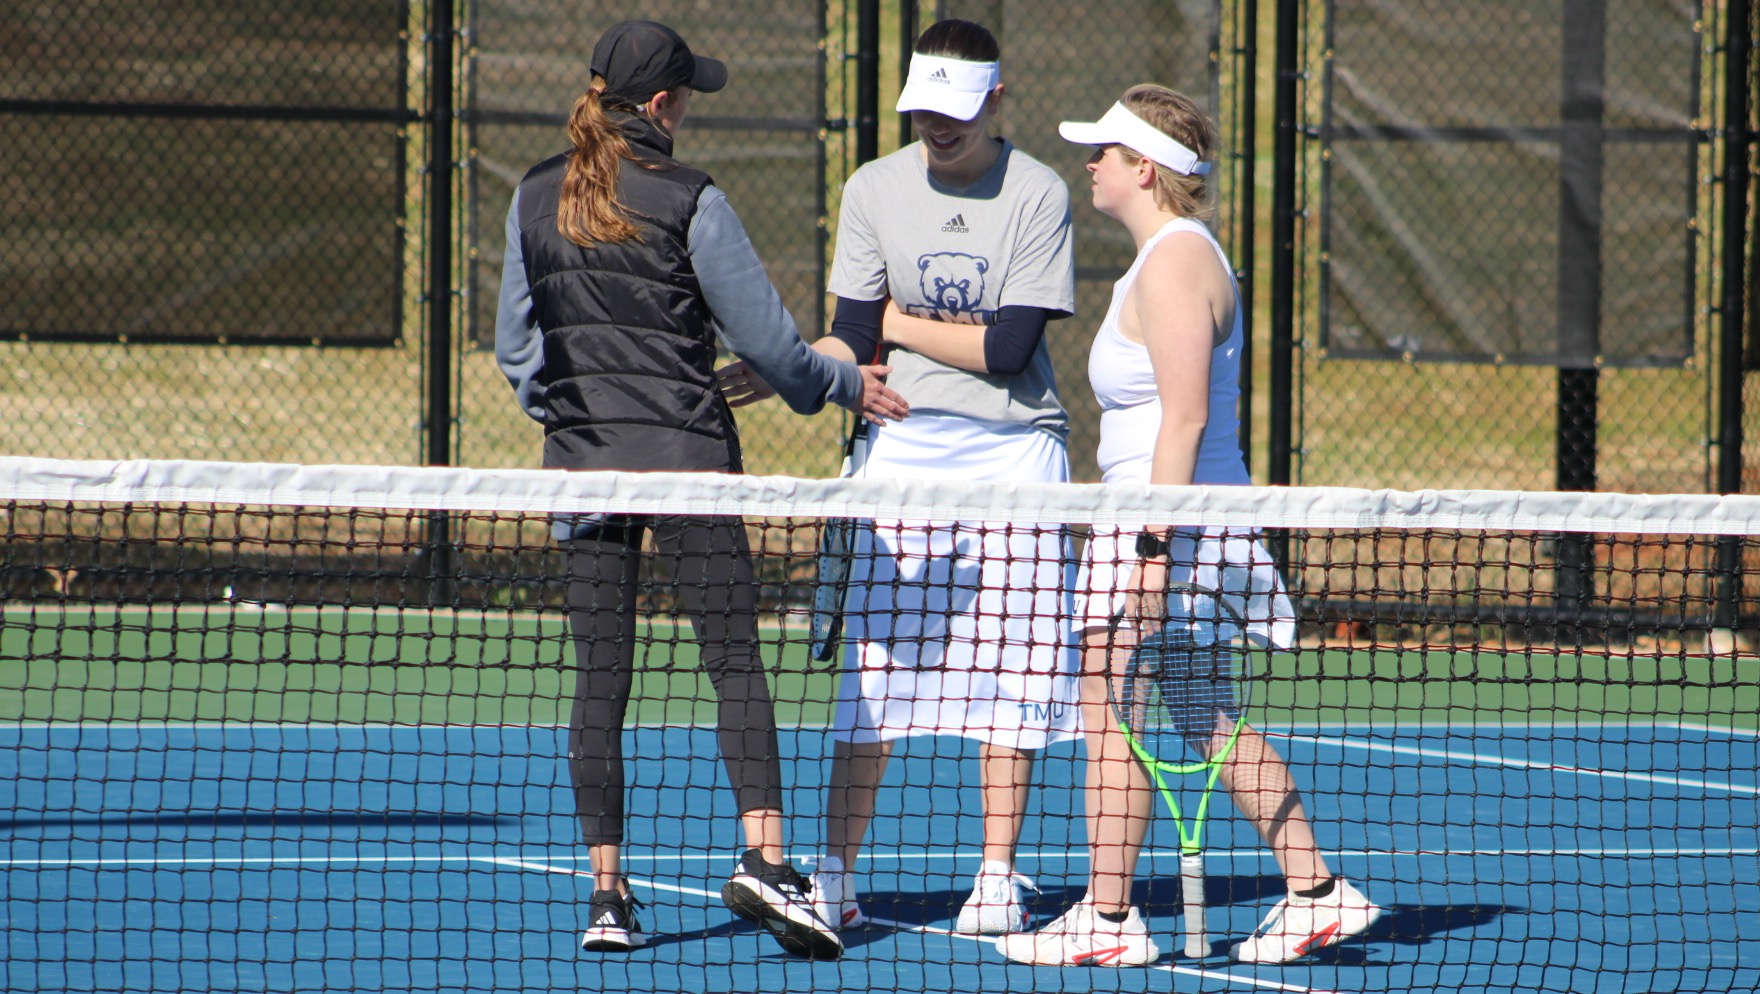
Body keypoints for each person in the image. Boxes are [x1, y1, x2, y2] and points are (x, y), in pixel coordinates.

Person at [493, 20, 907, 960]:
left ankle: (608, 898)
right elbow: (770, 347)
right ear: (663, 105)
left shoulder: (530, 196)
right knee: (733, 662)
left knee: (600, 680)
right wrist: (844, 384)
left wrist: (576, 413)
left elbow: (518, 352)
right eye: (688, 95)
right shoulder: (692, 197)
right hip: (689, 461)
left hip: (584, 464)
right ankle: (766, 860)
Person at [1001, 85, 1382, 967]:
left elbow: (1183, 419)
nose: (1088, 162)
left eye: (1103, 151)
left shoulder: (1175, 262)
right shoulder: (1167, 258)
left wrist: (1151, 552)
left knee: (1110, 714)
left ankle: (1105, 923)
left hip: (1166, 529)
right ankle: (1318, 891)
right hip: (1173, 527)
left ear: (1145, 168)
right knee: (1202, 713)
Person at [807, 18, 1079, 937]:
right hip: (905, 449)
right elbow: (849, 332)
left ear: (996, 100)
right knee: (873, 672)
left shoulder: (1039, 192)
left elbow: (1008, 350)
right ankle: (833, 876)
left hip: (1015, 452)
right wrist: (816, 362)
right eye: (923, 110)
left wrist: (890, 319)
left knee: (1014, 665)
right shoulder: (872, 188)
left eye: (955, 110)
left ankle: (997, 877)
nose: (937, 126)